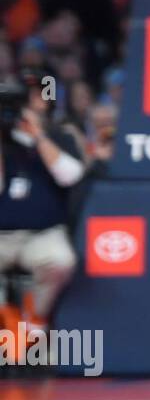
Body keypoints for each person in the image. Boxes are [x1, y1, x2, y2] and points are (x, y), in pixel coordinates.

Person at [0, 75, 84, 326]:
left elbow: (71, 176)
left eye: (38, 96)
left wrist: (37, 136)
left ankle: (34, 319)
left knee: (60, 260)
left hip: (43, 234)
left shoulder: (58, 137)